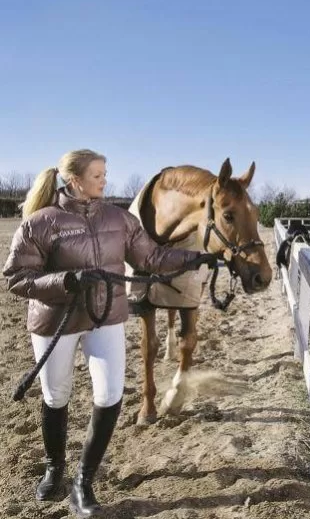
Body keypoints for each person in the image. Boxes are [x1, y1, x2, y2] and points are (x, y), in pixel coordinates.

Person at [2, 149, 215, 517]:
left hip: (106, 317)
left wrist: (193, 258)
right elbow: (17, 279)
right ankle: (55, 469)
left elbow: (152, 258)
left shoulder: (120, 219)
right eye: (98, 174)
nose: (105, 179)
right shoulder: (41, 222)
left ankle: (83, 482)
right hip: (57, 320)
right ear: (75, 180)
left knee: (111, 392)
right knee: (56, 396)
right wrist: (69, 280)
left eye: (105, 173)